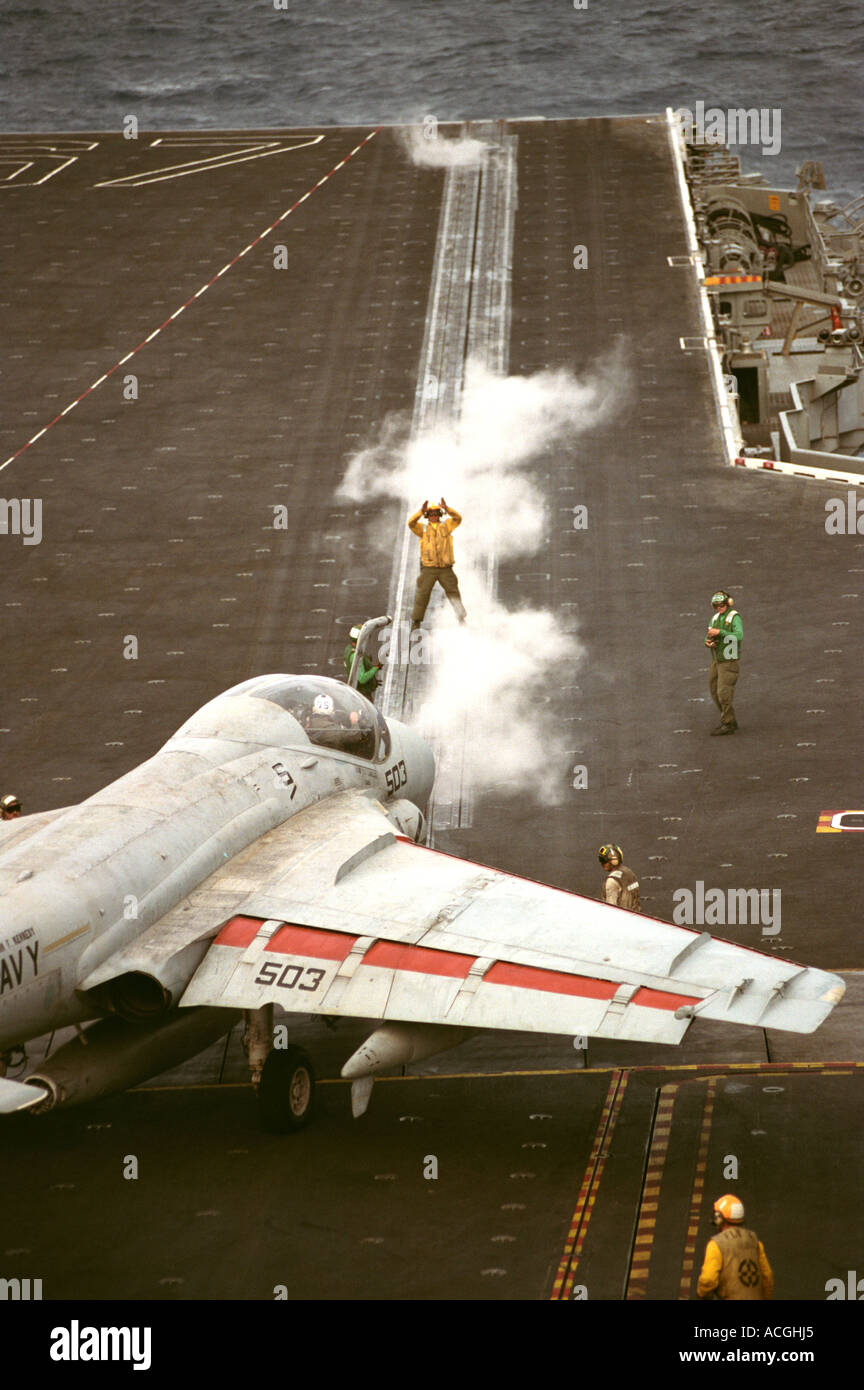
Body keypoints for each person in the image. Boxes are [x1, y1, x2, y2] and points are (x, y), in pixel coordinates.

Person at [697, 1194, 773, 1300]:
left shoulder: (716, 1244)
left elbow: (708, 1280)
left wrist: (701, 1295)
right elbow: (767, 1276)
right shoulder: (755, 1242)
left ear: (719, 1219)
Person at [408, 497, 467, 629]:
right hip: (428, 568)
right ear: (427, 516)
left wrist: (447, 509)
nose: (433, 516)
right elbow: (411, 523)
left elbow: (458, 518)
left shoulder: (447, 526)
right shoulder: (422, 529)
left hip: (445, 568)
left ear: (439, 515)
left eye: (435, 514)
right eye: (431, 514)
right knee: (422, 595)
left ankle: (461, 618)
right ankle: (416, 621)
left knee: (453, 592)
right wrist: (420, 512)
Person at [705, 589, 743, 735]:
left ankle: (728, 723)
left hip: (729, 661)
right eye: (716, 606)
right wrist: (708, 642)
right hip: (717, 660)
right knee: (714, 691)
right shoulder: (715, 619)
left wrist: (720, 633)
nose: (718, 609)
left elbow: (738, 636)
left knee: (723, 693)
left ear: (728, 604)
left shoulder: (734, 618)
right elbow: (708, 635)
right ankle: (729, 718)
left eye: (721, 605)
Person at [344, 623, 382, 702]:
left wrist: (372, 681)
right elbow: (362, 679)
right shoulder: (356, 655)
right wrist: (376, 667)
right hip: (362, 695)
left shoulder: (349, 649)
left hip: (357, 692)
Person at [597, 844, 641, 910]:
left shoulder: (611, 881)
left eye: (604, 861)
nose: (601, 863)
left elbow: (611, 910)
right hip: (636, 917)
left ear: (613, 861)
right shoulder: (629, 873)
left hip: (622, 918)